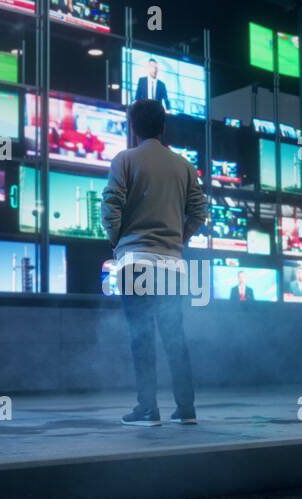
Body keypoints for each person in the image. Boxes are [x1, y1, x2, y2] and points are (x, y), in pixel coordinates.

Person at [102, 99, 207, 427]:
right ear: (163, 127)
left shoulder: (125, 160)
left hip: (136, 262)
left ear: (132, 127)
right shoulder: (184, 165)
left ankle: (147, 409)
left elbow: (110, 208)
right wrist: (180, 238)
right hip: (172, 265)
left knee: (141, 336)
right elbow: (200, 212)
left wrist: (118, 242)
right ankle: (186, 408)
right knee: (174, 336)